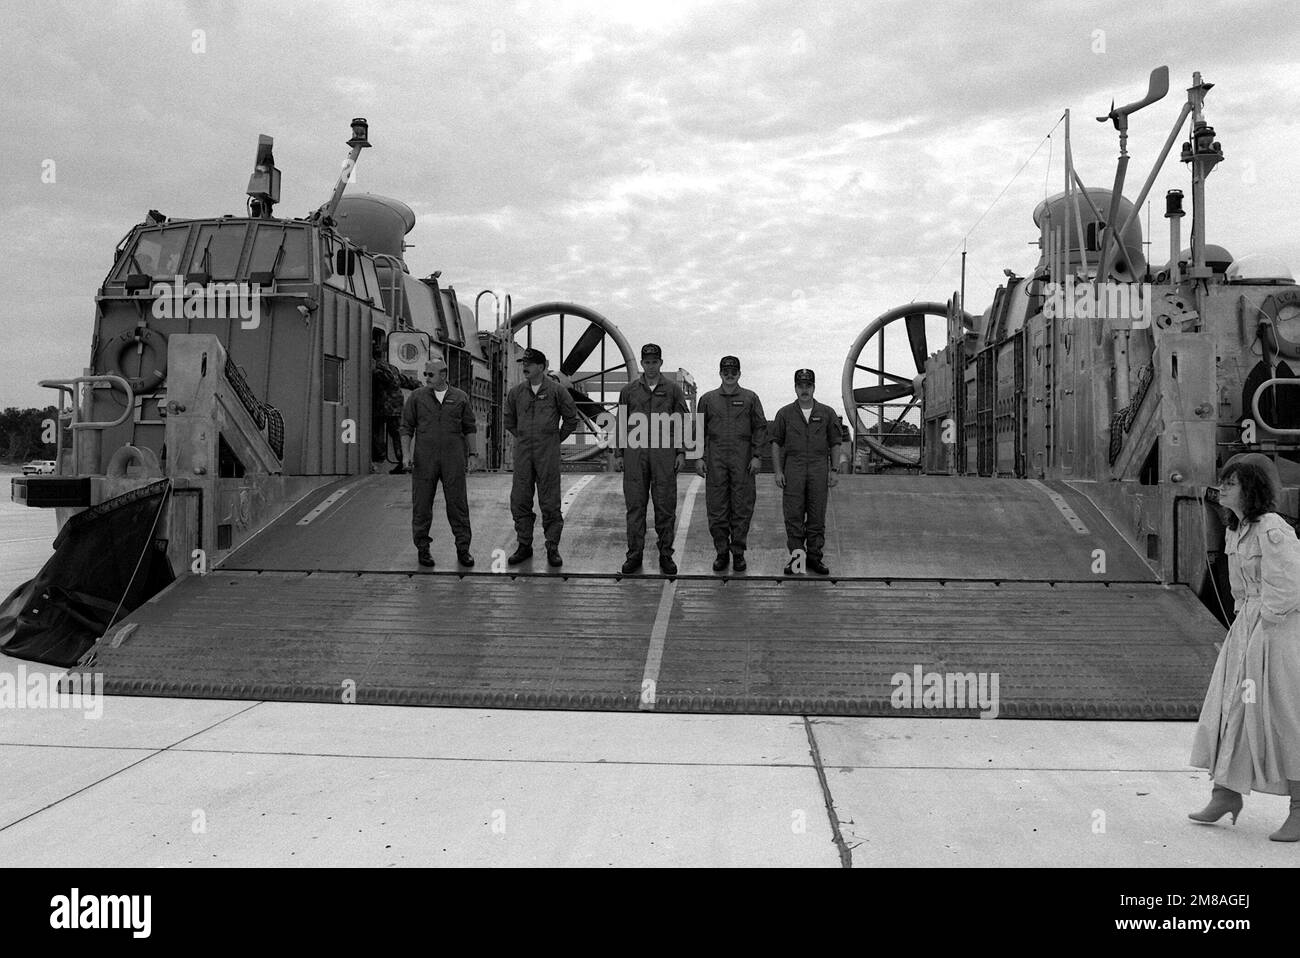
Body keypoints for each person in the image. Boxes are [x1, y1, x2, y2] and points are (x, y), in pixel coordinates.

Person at [1189, 453, 1300, 842]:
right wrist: (1246, 626)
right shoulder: (1236, 529)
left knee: (1284, 716)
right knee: (1231, 709)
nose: (1222, 489)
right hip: (1248, 629)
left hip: (1278, 632)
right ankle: (1225, 793)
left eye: (1231, 483)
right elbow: (1240, 590)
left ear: (1249, 488)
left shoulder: (1272, 529)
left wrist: (1264, 626)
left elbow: (1289, 587)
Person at [615, 343, 689, 575]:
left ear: (660, 363)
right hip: (635, 456)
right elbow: (621, 422)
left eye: (654, 362)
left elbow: (683, 422)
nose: (650, 366)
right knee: (635, 507)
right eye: (646, 362)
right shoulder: (629, 391)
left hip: (664, 455)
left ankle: (665, 554)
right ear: (642, 363)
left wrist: (681, 452)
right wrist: (618, 454)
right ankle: (634, 555)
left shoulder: (673, 390)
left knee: (665, 506)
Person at [503, 348, 580, 567]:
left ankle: (552, 547)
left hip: (547, 455)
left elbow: (571, 419)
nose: (525, 367)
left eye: (529, 363)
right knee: (519, 501)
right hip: (524, 454)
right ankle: (524, 545)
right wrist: (525, 438)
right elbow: (509, 420)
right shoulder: (516, 393)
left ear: (541, 366)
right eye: (523, 363)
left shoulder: (557, 391)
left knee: (550, 502)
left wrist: (555, 439)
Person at [399, 357, 478, 568]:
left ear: (443, 375)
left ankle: (463, 550)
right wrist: (406, 454)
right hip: (425, 461)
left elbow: (470, 428)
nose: (426, 378)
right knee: (422, 506)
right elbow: (406, 427)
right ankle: (423, 550)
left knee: (458, 506)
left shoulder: (460, 398)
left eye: (430, 374)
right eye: (425, 374)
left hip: (453, 460)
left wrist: (473, 455)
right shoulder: (417, 397)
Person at [696, 355, 766, 572]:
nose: (729, 374)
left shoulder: (750, 398)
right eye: (725, 371)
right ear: (720, 373)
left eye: (733, 371)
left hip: (743, 460)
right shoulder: (707, 399)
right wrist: (699, 457)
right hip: (716, 460)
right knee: (717, 508)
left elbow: (760, 428)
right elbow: (698, 430)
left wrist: (757, 456)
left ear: (739, 373)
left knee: (742, 506)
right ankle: (721, 552)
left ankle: (738, 553)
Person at [771, 368, 843, 575]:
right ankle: (797, 560)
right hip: (793, 468)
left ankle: (814, 558)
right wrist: (778, 471)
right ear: (795, 388)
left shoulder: (827, 413)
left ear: (813, 387)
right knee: (793, 516)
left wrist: (835, 470)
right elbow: (775, 443)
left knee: (816, 516)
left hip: (819, 469)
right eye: (800, 386)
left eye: (808, 386)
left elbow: (835, 443)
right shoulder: (784, 413)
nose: (804, 390)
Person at [371, 332, 419, 474]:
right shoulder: (392, 368)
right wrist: (418, 385)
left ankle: (380, 455)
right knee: (397, 435)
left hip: (383, 407)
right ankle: (403, 461)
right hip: (396, 407)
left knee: (375, 432)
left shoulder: (377, 370)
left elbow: (389, 382)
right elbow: (403, 380)